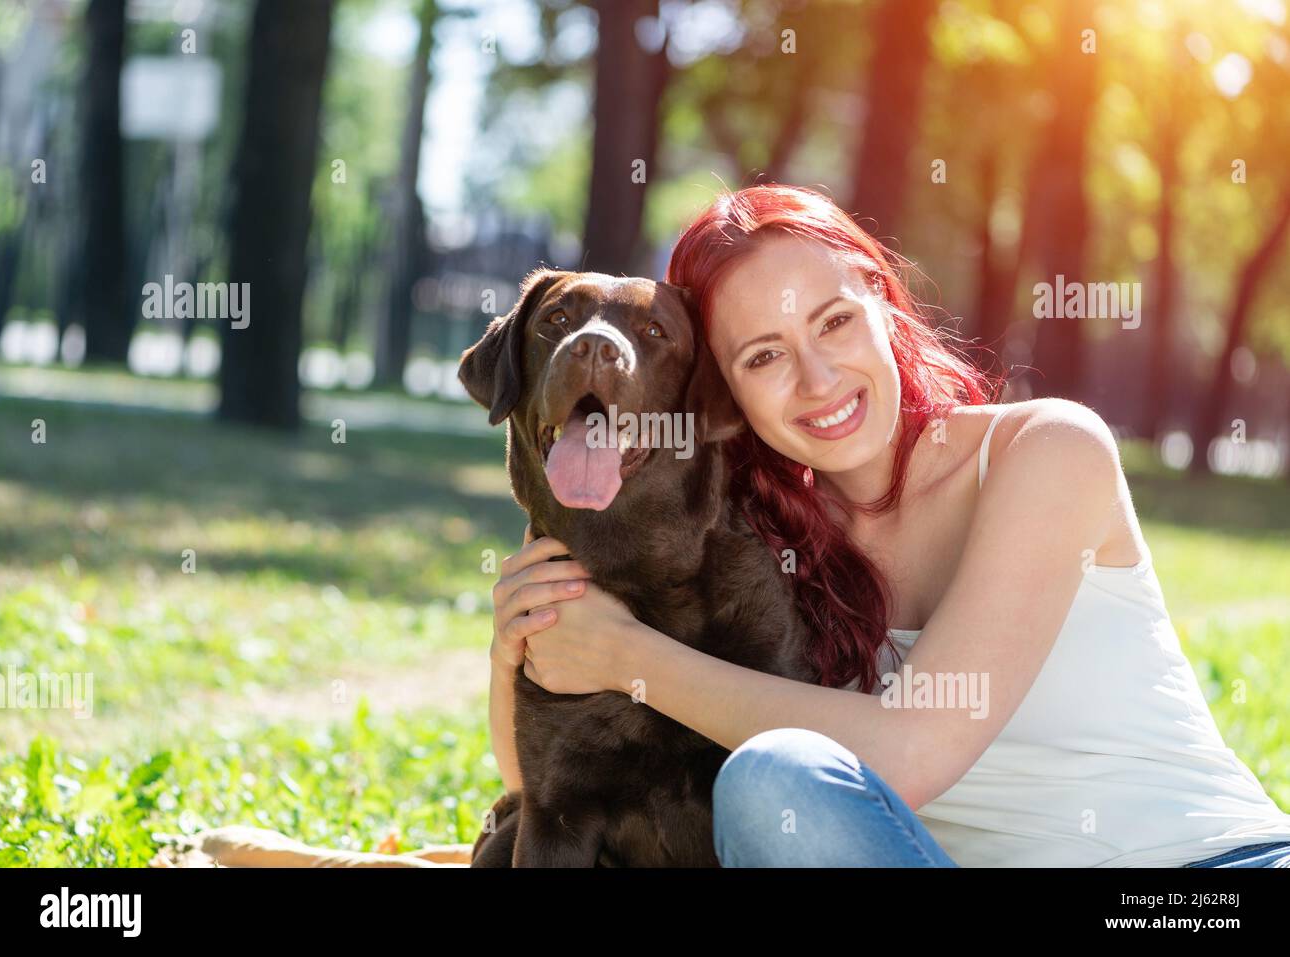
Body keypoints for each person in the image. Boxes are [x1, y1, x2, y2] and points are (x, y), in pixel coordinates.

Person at [486, 184, 1290, 867]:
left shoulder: (1048, 451)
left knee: (772, 776)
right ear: (717, 394)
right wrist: (521, 637)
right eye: (763, 357)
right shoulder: (769, 546)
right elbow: (549, 786)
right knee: (777, 790)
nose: (818, 377)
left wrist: (626, 655)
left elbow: (911, 752)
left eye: (833, 321)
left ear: (882, 297)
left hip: (1209, 878)